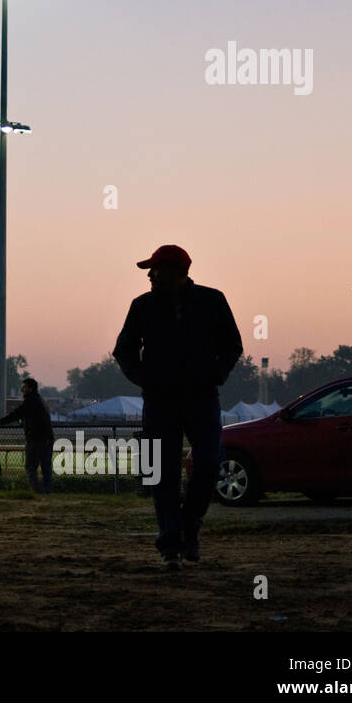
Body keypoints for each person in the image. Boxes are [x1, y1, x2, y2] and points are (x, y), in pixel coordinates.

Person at [112, 244, 242, 570]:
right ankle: (171, 544)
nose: (150, 276)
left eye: (155, 270)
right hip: (160, 401)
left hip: (201, 398)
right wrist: (144, 378)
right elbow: (123, 349)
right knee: (163, 474)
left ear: (176, 272)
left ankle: (188, 527)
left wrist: (215, 374)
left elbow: (233, 346)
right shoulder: (142, 306)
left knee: (209, 464)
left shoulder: (212, 301)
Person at [0, 376, 55, 493]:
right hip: (47, 438)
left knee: (30, 466)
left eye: (24, 387)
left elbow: (16, 414)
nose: (22, 390)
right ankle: (47, 490)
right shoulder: (40, 400)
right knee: (46, 467)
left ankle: (37, 491)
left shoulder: (30, 401)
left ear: (30, 389)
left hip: (36, 439)